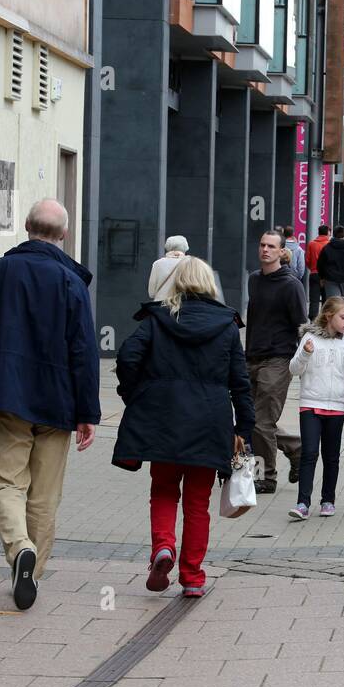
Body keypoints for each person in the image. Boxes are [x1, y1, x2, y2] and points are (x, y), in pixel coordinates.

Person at [0, 199, 100, 611]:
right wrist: (87, 412)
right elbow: (84, 352)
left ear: (26, 226)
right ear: (64, 235)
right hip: (58, 402)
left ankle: (20, 548)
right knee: (45, 495)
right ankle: (31, 574)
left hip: (6, 395)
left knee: (6, 483)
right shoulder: (71, 282)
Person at [113, 256, 254, 597]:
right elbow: (240, 381)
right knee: (197, 502)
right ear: (209, 283)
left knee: (162, 489)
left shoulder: (157, 318)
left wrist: (137, 395)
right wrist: (244, 428)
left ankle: (163, 548)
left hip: (163, 419)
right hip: (210, 423)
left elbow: (127, 358)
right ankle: (192, 577)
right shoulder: (226, 324)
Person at [287, 297, 344, 520]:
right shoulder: (309, 337)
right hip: (311, 404)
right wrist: (305, 352)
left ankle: (328, 500)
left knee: (331, 456)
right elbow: (294, 369)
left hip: (336, 406)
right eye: (343, 317)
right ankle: (303, 503)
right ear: (328, 316)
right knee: (310, 453)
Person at [246, 230, 305, 494]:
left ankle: (266, 478)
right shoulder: (254, 280)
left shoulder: (291, 284)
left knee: (261, 422)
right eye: (262, 245)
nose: (265, 250)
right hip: (252, 356)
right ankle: (296, 447)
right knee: (252, 420)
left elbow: (300, 325)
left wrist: (303, 360)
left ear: (282, 251)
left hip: (279, 358)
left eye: (271, 246)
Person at [318, 225, 344, 301]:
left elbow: (320, 264)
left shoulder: (326, 248)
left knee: (333, 304)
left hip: (330, 280)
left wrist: (322, 277)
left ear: (333, 235)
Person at [147, 235, 189, 300]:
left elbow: (151, 293)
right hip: (183, 306)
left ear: (167, 248)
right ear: (185, 248)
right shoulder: (191, 264)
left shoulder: (157, 264)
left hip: (161, 306)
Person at [305, 225, 331, 319]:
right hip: (327, 276)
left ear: (318, 232)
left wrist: (312, 268)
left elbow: (307, 260)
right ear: (328, 233)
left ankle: (312, 320)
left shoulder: (311, 244)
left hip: (314, 274)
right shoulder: (329, 244)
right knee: (326, 300)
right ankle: (323, 321)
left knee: (314, 300)